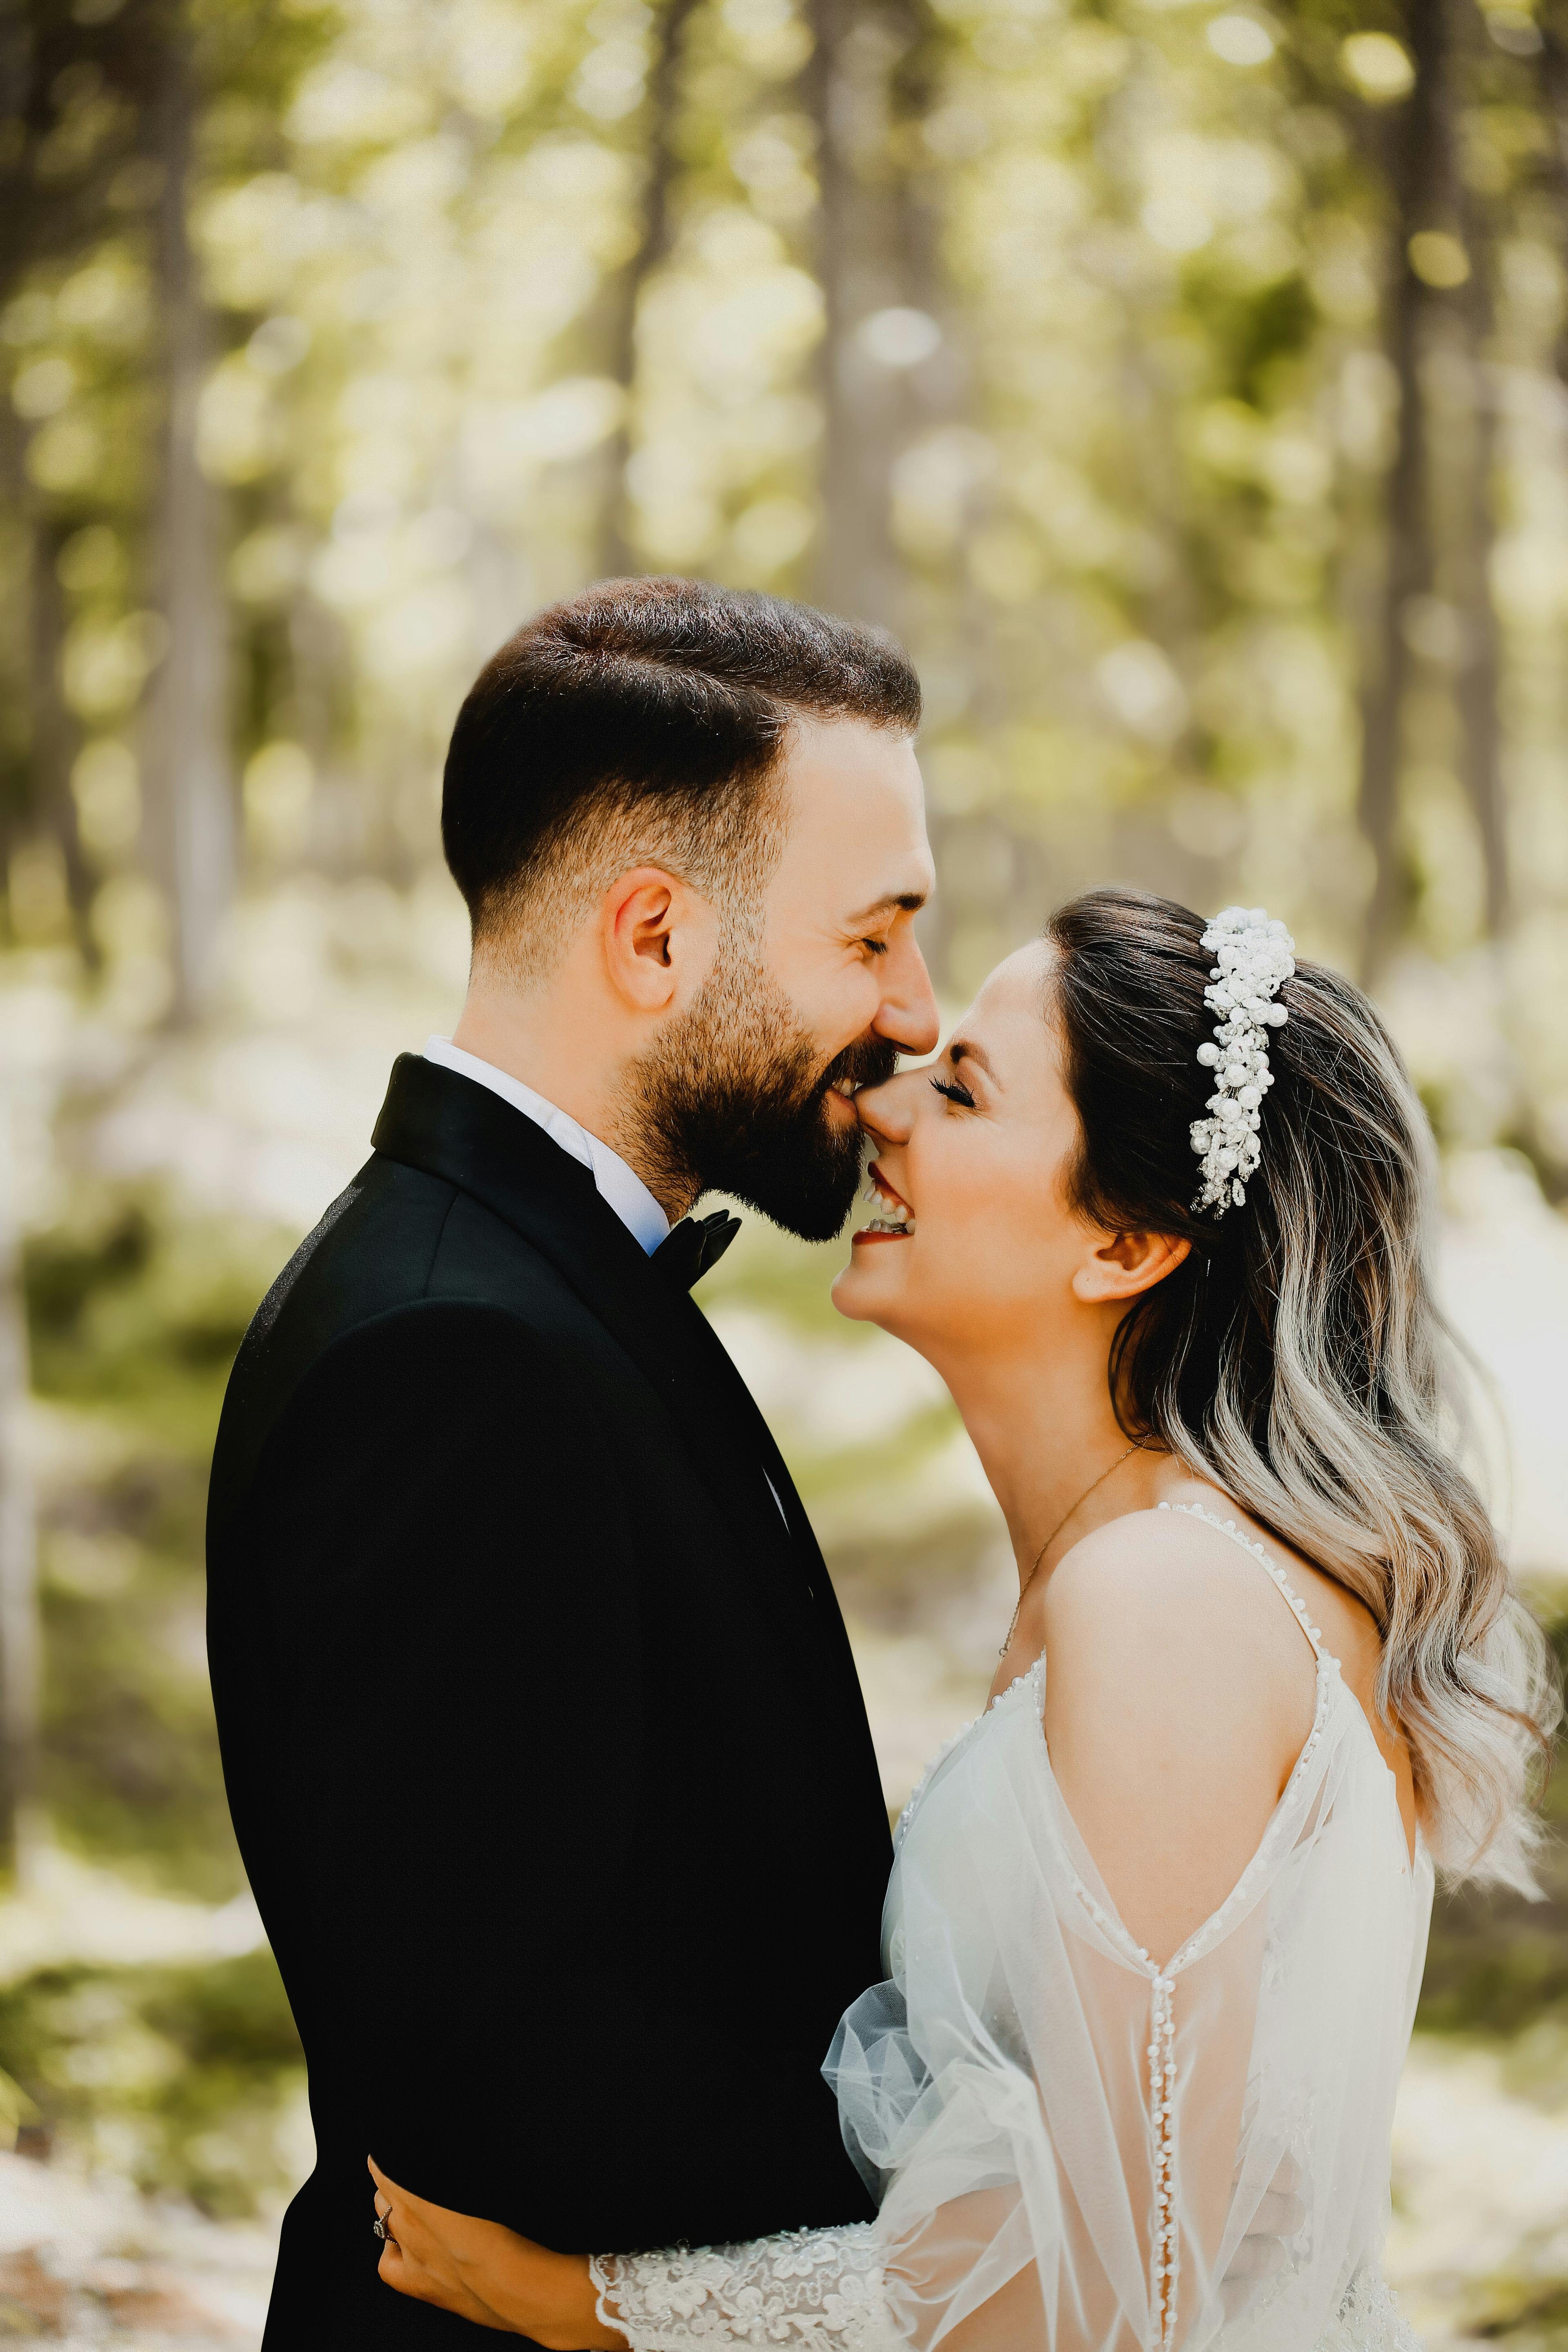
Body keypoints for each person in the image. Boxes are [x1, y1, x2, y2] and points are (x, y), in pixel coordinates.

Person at [364, 890, 1559, 2351]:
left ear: (1124, 1245)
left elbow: (1113, 2278)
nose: (884, 1103)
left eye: (968, 1089)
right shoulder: (1132, 1574)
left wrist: (579, 2304)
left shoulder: (1166, 1601)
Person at [205, 577, 942, 2346]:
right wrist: (978, 2177)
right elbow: (505, 2073)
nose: (918, 1011)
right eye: (872, 938)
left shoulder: (524, 1283)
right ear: (654, 940)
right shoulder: (454, 1358)